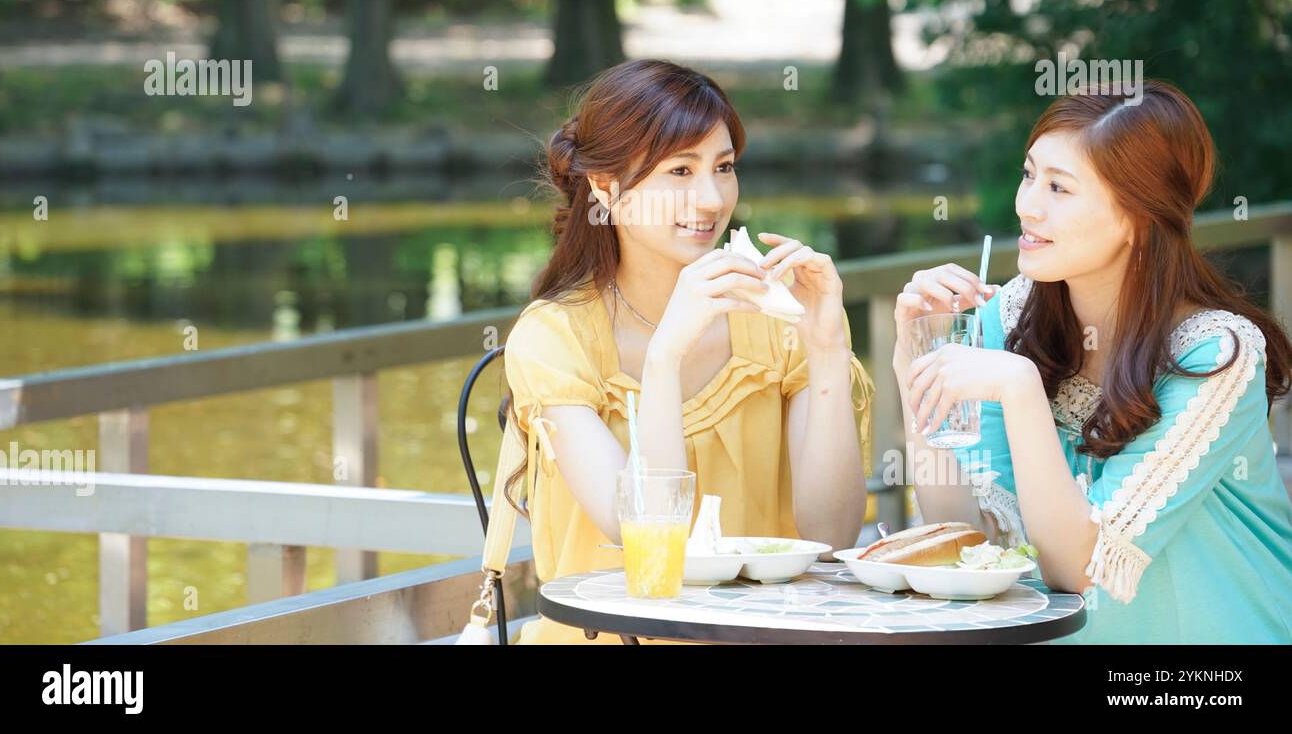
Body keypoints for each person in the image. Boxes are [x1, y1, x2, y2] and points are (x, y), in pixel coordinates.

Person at [894, 80, 1292, 643]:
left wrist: (1021, 388)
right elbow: (967, 541)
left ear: (1138, 217)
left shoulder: (1216, 357)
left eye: (1059, 187)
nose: (1027, 205)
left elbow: (1081, 570)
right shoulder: (1002, 320)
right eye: (1029, 174)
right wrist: (916, 360)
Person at [502, 58, 876, 644]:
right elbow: (645, 534)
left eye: (723, 168)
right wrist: (665, 356)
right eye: (680, 170)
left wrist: (827, 351)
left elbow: (832, 536)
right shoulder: (554, 338)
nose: (709, 198)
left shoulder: (776, 324)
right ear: (606, 186)